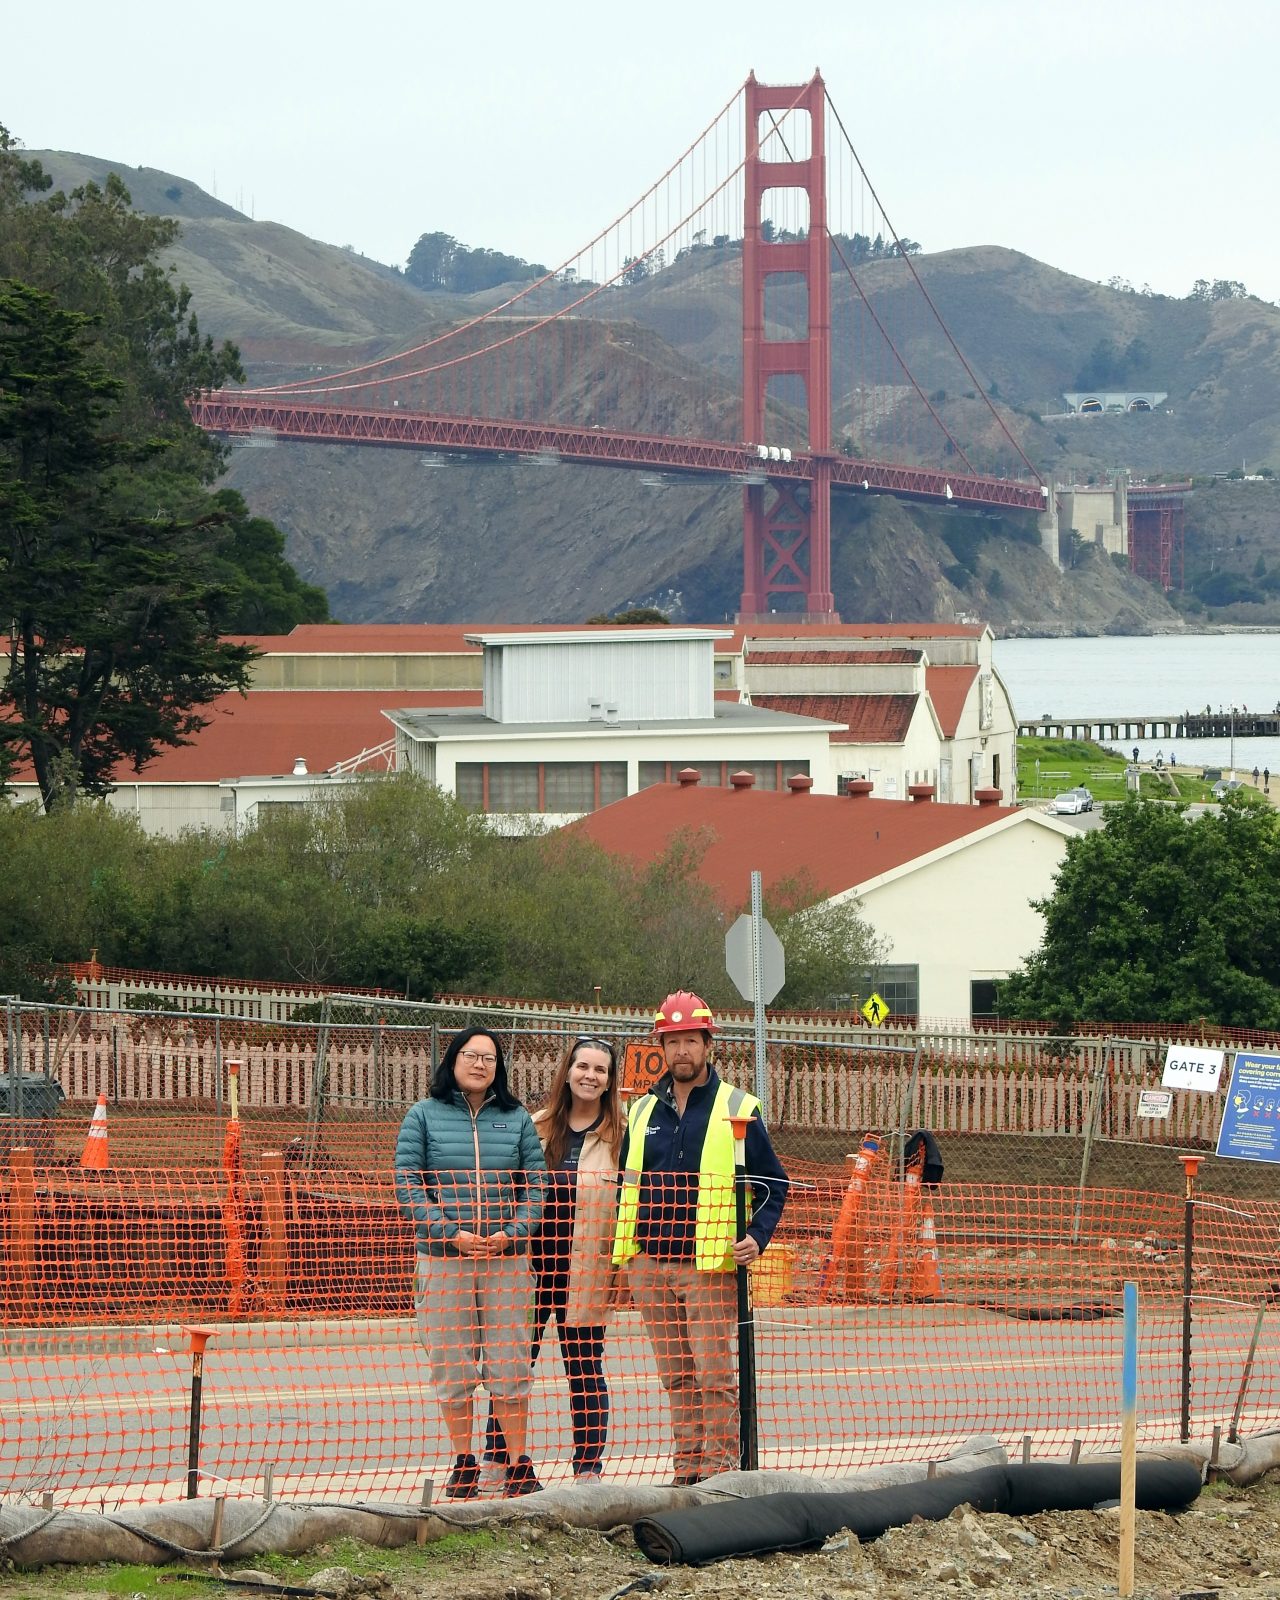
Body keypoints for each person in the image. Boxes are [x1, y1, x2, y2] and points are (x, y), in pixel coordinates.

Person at [613, 990, 789, 1486]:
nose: (681, 1051)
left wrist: (757, 1236)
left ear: (708, 1044)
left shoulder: (739, 1107)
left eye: (691, 1040)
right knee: (677, 1377)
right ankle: (686, 1469)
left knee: (714, 1378)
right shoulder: (643, 1110)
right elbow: (628, 1184)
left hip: (708, 1264)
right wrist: (624, 1258)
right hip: (648, 1263)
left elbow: (773, 1183)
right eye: (672, 1042)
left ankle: (717, 1473)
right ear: (661, 1048)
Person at [394, 1027, 547, 1499]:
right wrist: (449, 1233)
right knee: (454, 1366)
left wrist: (513, 1234)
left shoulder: (516, 1117)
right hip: (444, 1261)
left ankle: (519, 1463)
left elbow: (536, 1186)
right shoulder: (422, 1115)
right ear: (452, 1060)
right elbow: (408, 1183)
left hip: (506, 1263)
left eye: (489, 1058)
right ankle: (464, 1463)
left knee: (510, 1365)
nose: (480, 1064)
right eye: (471, 1055)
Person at [482, 1035, 624, 1483]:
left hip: (586, 1269)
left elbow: (633, 1202)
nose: (590, 1076)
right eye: (583, 1066)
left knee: (585, 1371)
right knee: (513, 1367)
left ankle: (587, 1469)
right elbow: (507, 1190)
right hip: (527, 1270)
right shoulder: (535, 1125)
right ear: (568, 1071)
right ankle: (497, 1458)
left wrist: (621, 1265)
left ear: (609, 1080)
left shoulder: (622, 1136)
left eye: (600, 1070)